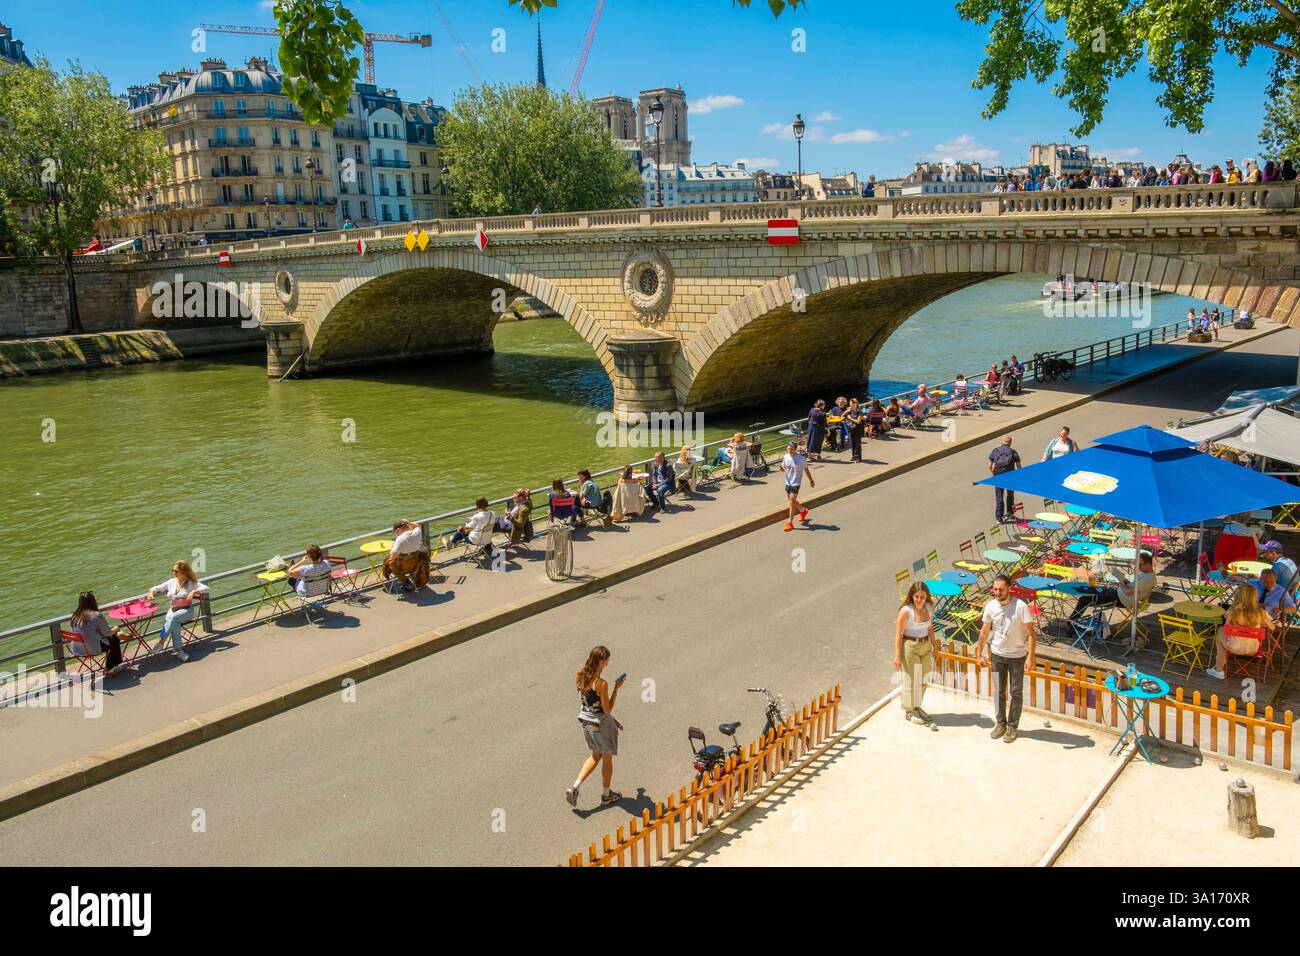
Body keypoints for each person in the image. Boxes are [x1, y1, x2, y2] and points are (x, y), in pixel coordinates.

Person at [974, 574, 1037, 743]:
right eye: (995, 589)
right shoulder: (990, 606)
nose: (997, 592)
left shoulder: (1021, 607)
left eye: (1000, 589)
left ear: (1009, 588)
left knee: (1015, 692)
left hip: (1017, 656)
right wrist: (979, 653)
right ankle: (1000, 723)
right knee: (998, 691)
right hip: (997, 654)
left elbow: (1031, 634)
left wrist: (1030, 657)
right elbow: (985, 631)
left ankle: (1012, 727)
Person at [565, 645, 624, 808]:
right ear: (601, 662)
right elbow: (607, 709)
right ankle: (606, 795)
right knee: (607, 759)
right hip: (601, 724)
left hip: (586, 722)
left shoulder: (580, 674)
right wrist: (616, 689)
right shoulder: (601, 684)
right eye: (606, 662)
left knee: (595, 755)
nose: (607, 665)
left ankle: (575, 787)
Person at [1069, 552, 1156, 630]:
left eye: (1139, 565)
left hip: (1122, 600)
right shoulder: (1145, 573)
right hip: (1118, 595)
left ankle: (1072, 623)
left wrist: (1120, 580)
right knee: (1094, 590)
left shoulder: (1148, 578)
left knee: (1084, 599)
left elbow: (1128, 592)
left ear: (1148, 564)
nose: (1138, 567)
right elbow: (1133, 586)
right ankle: (1074, 622)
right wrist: (1124, 579)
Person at [1206, 585, 1277, 679]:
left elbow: (1227, 628)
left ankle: (1219, 668)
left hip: (1233, 646)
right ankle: (1221, 660)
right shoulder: (1261, 612)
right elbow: (1272, 627)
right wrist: (1259, 623)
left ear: (1239, 596)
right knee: (1222, 632)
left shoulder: (1233, 611)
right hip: (1253, 649)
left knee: (1220, 630)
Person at [895, 582, 940, 724]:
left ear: (926, 597)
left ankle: (917, 706)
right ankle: (909, 711)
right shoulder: (906, 611)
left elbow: (930, 628)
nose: (919, 599)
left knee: (923, 678)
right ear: (911, 596)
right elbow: (898, 635)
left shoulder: (929, 607)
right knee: (911, 679)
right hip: (910, 646)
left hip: (925, 645)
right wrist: (897, 656)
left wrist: (935, 647)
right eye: (916, 596)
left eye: (922, 597)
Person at [145, 560, 209, 662]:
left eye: (176, 571)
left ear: (183, 572)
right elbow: (157, 588)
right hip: (173, 610)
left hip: (186, 611)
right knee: (174, 622)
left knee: (173, 618)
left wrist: (193, 591)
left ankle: (161, 642)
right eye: (173, 570)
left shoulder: (190, 583)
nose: (173, 573)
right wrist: (151, 594)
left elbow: (205, 588)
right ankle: (180, 652)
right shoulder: (171, 582)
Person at [68, 591, 125, 674]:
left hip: (78, 649)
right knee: (114, 638)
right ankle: (111, 667)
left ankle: (114, 665)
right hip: (92, 649)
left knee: (110, 637)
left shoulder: (74, 616)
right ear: (93, 602)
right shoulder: (95, 615)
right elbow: (107, 633)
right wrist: (117, 628)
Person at [287, 544, 337, 611]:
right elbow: (322, 563)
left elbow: (289, 571)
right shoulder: (327, 563)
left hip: (306, 592)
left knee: (291, 579)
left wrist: (302, 561)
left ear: (309, 556)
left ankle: (295, 570)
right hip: (323, 589)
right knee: (303, 576)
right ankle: (299, 577)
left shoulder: (306, 569)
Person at [385, 519, 432, 591]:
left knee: (389, 563)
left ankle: (406, 582)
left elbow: (393, 556)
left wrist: (393, 546)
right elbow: (417, 526)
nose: (396, 534)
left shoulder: (400, 539)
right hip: (415, 565)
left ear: (398, 529)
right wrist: (408, 522)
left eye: (395, 532)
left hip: (402, 568)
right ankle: (414, 578)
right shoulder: (417, 533)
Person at [781, 441, 814, 532]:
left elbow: (806, 470)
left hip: (796, 482)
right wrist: (782, 468)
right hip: (788, 482)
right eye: (788, 449)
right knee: (792, 501)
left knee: (791, 501)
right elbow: (783, 467)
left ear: (795, 449)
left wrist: (811, 480)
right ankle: (803, 510)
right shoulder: (786, 456)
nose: (789, 450)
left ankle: (790, 523)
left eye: (791, 449)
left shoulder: (801, 459)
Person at [988, 435, 1020, 523]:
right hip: (1010, 477)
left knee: (999, 497)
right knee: (1010, 495)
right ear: (1010, 443)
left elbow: (990, 466)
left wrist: (994, 474)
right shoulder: (1013, 452)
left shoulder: (995, 451)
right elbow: (1019, 467)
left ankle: (999, 518)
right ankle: (1010, 513)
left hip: (998, 477)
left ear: (1002, 442)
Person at [844, 398, 866, 463]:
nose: (849, 404)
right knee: (853, 443)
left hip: (858, 429)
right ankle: (853, 456)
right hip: (852, 429)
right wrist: (844, 415)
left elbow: (858, 421)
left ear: (854, 404)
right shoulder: (850, 410)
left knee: (857, 444)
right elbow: (843, 414)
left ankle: (858, 457)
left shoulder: (859, 411)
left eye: (850, 403)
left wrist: (850, 418)